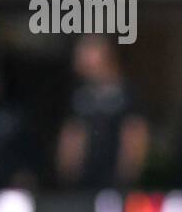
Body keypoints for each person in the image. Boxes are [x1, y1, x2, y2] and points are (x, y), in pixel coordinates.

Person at [57, 36, 148, 191]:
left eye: (88, 49)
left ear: (107, 54)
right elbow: (69, 142)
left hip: (116, 187)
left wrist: (125, 182)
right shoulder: (78, 96)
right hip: (82, 188)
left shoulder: (128, 95)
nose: (80, 56)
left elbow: (135, 139)